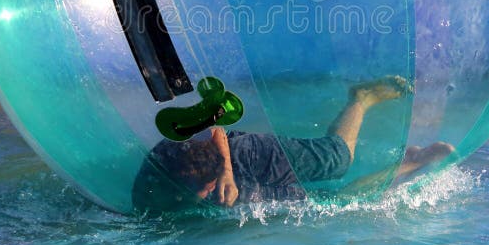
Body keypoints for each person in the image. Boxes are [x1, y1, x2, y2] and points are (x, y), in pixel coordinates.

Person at [132, 76, 455, 212]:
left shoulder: (190, 141)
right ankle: (412, 161)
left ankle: (362, 97)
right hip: (225, 174)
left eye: (209, 185)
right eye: (201, 188)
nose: (207, 192)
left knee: (338, 160)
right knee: (326, 203)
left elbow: (214, 124)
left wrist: (226, 171)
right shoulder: (158, 178)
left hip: (239, 153)